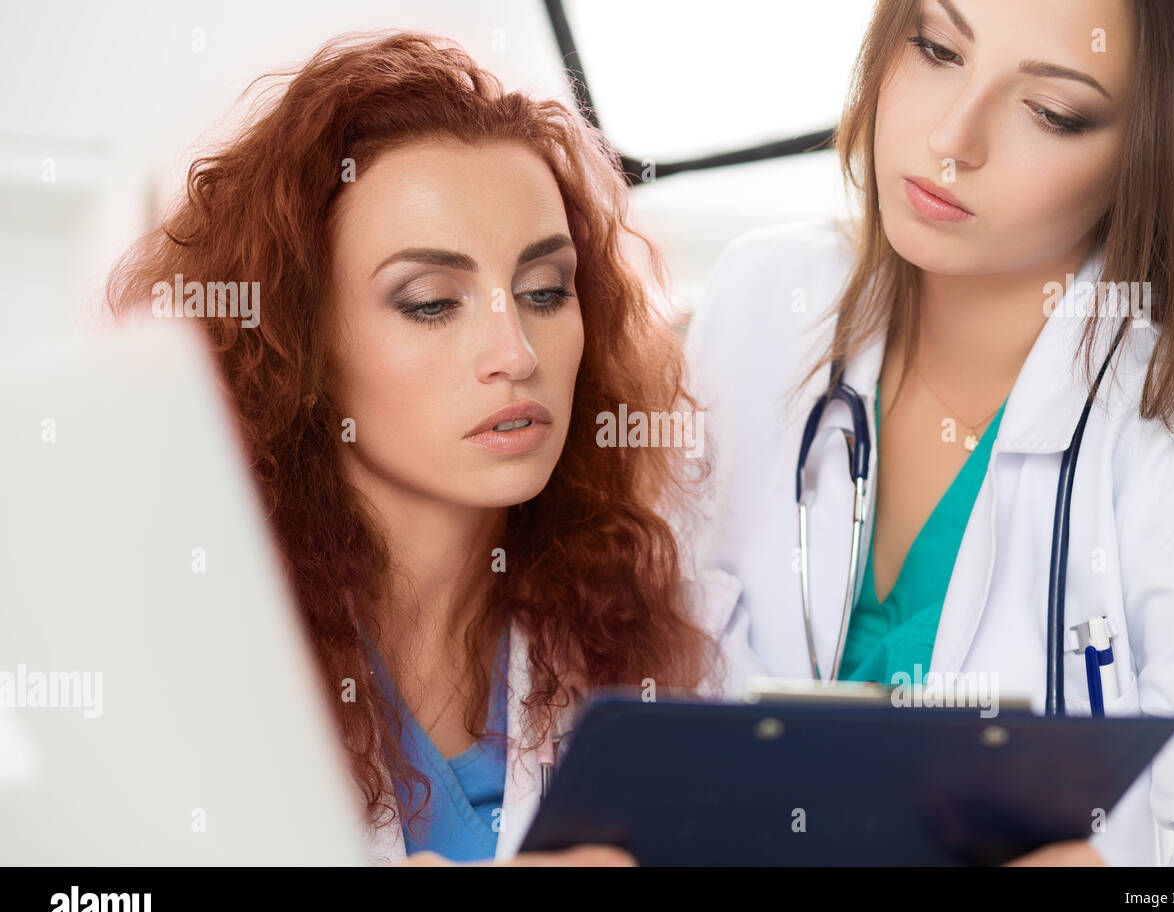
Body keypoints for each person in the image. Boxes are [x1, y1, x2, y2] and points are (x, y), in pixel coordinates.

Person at [108, 32, 750, 865]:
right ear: (300, 342)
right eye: (431, 303)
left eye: (545, 291)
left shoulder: (648, 626)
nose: (516, 353)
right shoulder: (185, 636)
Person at [686, 0, 1174, 865]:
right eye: (936, 48)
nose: (952, 137)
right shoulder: (760, 301)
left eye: (1052, 112)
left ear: (1159, 155)